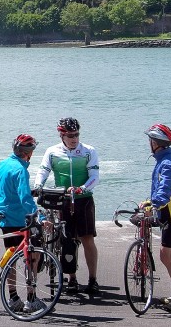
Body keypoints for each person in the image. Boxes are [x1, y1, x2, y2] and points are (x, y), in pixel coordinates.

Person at [34, 117, 100, 294]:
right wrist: (38, 186)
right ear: (62, 135)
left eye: (77, 134)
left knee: (87, 240)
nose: (74, 138)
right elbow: (43, 171)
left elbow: (95, 176)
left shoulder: (88, 151)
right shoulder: (52, 151)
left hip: (83, 199)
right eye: (70, 135)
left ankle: (93, 279)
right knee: (67, 239)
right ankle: (72, 278)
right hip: (62, 200)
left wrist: (83, 188)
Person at [0, 134, 46, 313]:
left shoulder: (2, 164)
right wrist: (38, 217)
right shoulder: (20, 170)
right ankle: (31, 299)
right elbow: (25, 197)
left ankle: (13, 298)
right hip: (19, 219)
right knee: (32, 257)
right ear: (29, 153)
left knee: (11, 256)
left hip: (3, 218)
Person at [144, 123, 171, 311]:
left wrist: (154, 204)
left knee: (165, 255)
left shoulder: (167, 163)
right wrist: (149, 201)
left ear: (156, 142)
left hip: (170, 215)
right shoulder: (166, 157)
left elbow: (164, 190)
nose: (149, 143)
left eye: (150, 140)